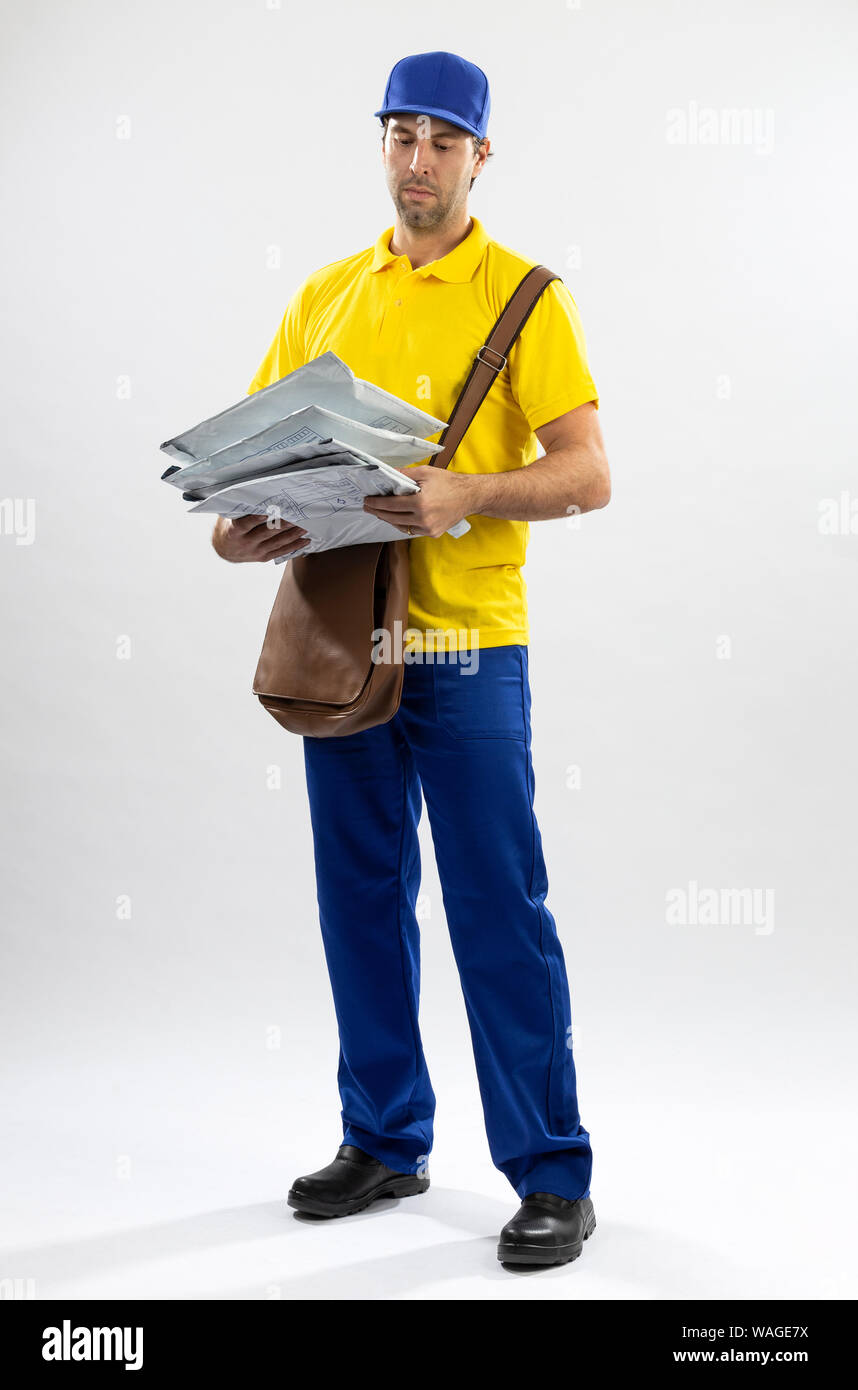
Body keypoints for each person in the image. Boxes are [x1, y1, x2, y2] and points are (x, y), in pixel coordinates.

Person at [212, 50, 611, 1268]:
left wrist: (464, 495)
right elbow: (246, 484)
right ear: (381, 145)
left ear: (480, 156)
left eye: (443, 139)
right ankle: (384, 1136)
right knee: (360, 904)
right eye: (401, 134)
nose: (418, 159)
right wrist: (243, 525)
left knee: (499, 907)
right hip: (346, 644)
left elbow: (588, 474)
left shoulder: (525, 297)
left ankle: (550, 1173)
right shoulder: (326, 296)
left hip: (465, 647)